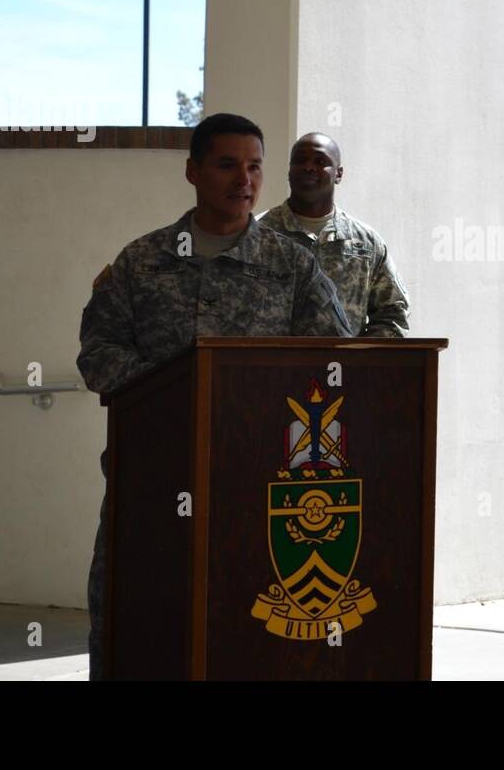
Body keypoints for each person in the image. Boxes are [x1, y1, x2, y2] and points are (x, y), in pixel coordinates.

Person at [77, 112, 352, 680]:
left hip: (256, 491)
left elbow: (334, 360)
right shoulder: (141, 262)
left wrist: (257, 403)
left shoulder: (292, 265)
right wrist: (176, 391)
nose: (243, 180)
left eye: (254, 167)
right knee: (136, 625)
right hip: (150, 485)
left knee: (246, 636)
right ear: (193, 171)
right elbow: (97, 354)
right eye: (227, 165)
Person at [259, 132, 410, 337]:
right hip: (274, 367)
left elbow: (392, 313)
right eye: (300, 160)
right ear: (289, 170)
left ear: (338, 174)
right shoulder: (260, 233)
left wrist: (360, 359)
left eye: (320, 161)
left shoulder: (366, 243)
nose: (308, 167)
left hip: (345, 368)